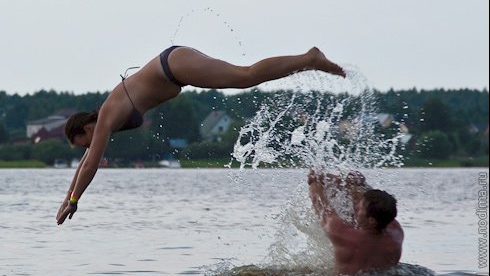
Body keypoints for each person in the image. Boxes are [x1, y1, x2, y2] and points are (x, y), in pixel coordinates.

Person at [56, 45, 346, 225]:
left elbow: (92, 164)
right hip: (174, 65)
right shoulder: (105, 118)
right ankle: (307, 60)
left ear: (86, 128)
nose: (90, 146)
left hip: (172, 66)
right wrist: (67, 196)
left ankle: (309, 58)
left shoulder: (106, 116)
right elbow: (85, 162)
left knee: (245, 76)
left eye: (85, 141)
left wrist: (73, 201)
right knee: (244, 76)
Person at [307, 169, 404, 275]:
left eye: (360, 208)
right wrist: (357, 182)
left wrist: (315, 180)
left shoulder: (343, 234)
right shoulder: (396, 232)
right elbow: (376, 203)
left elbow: (318, 202)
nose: (356, 206)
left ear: (371, 220)